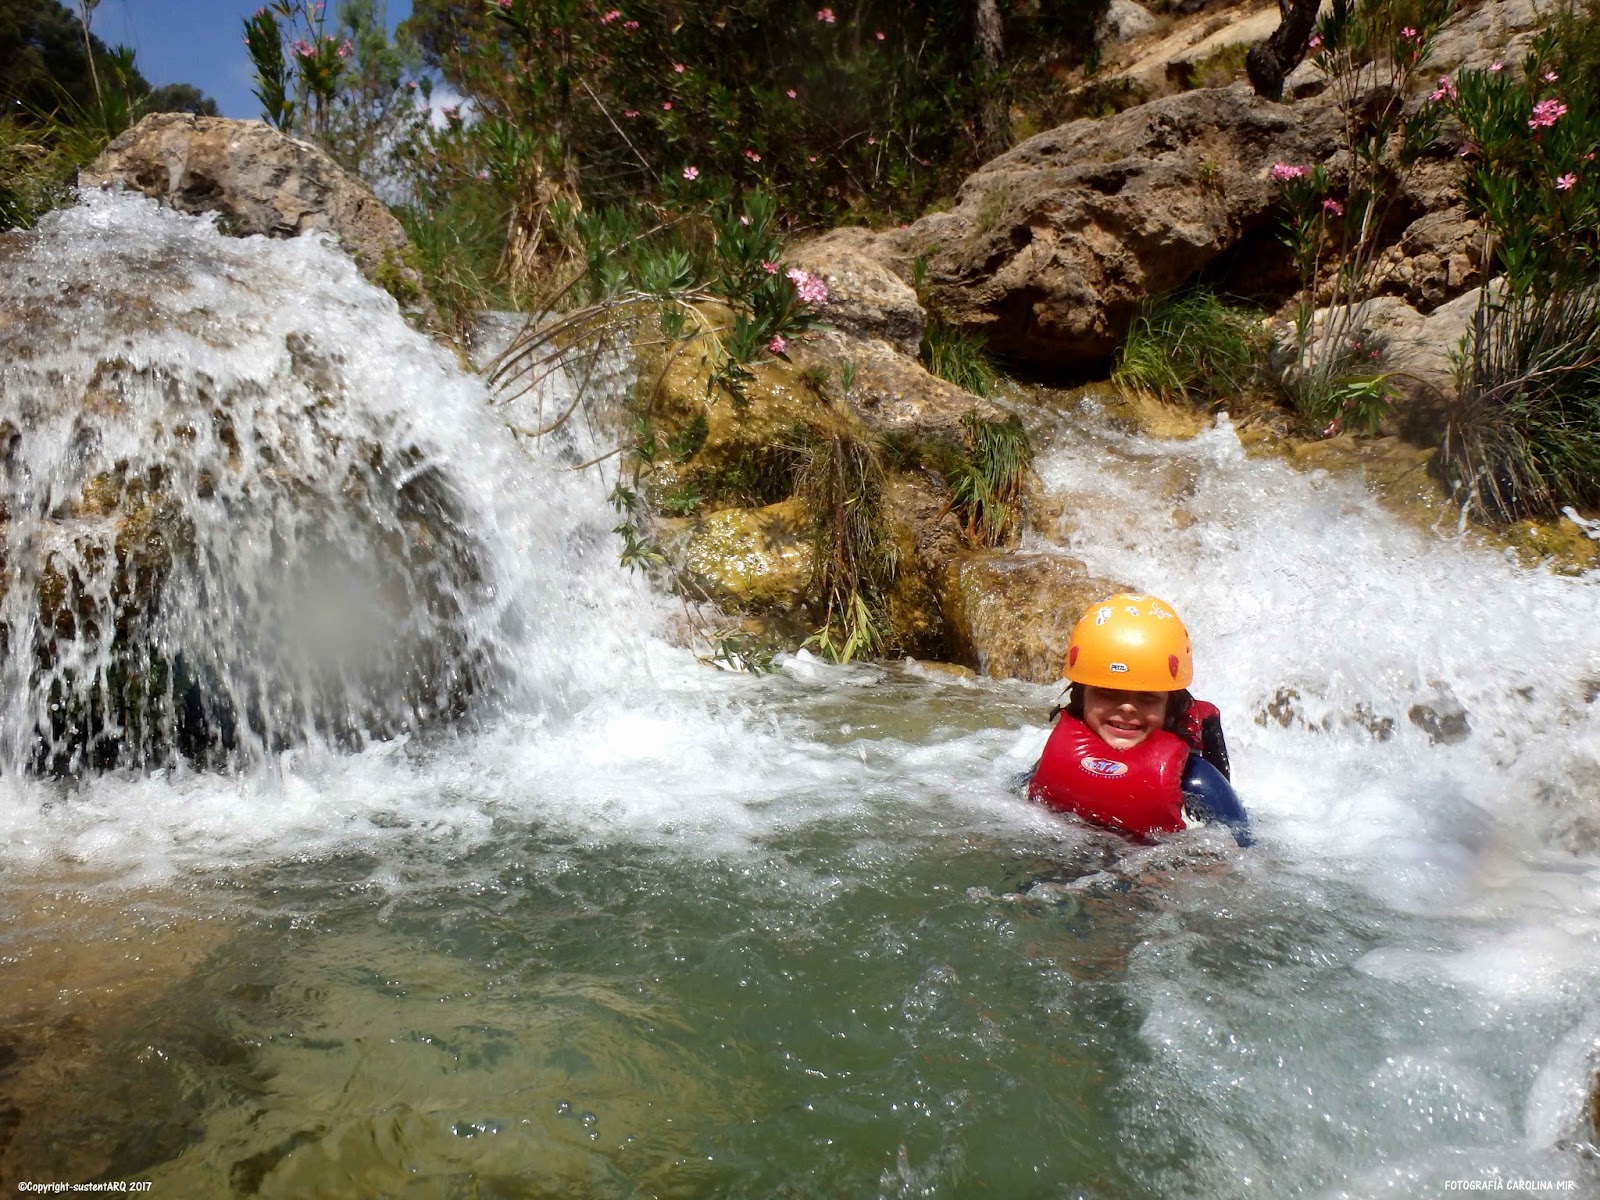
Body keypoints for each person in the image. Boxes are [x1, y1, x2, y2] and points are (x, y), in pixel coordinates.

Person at [1026, 593, 1251, 846]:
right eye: (1108, 693)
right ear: (1081, 698)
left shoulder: (1198, 783)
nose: (1127, 708)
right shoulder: (1056, 759)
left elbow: (1242, 852)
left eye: (1148, 697)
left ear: (1170, 708)